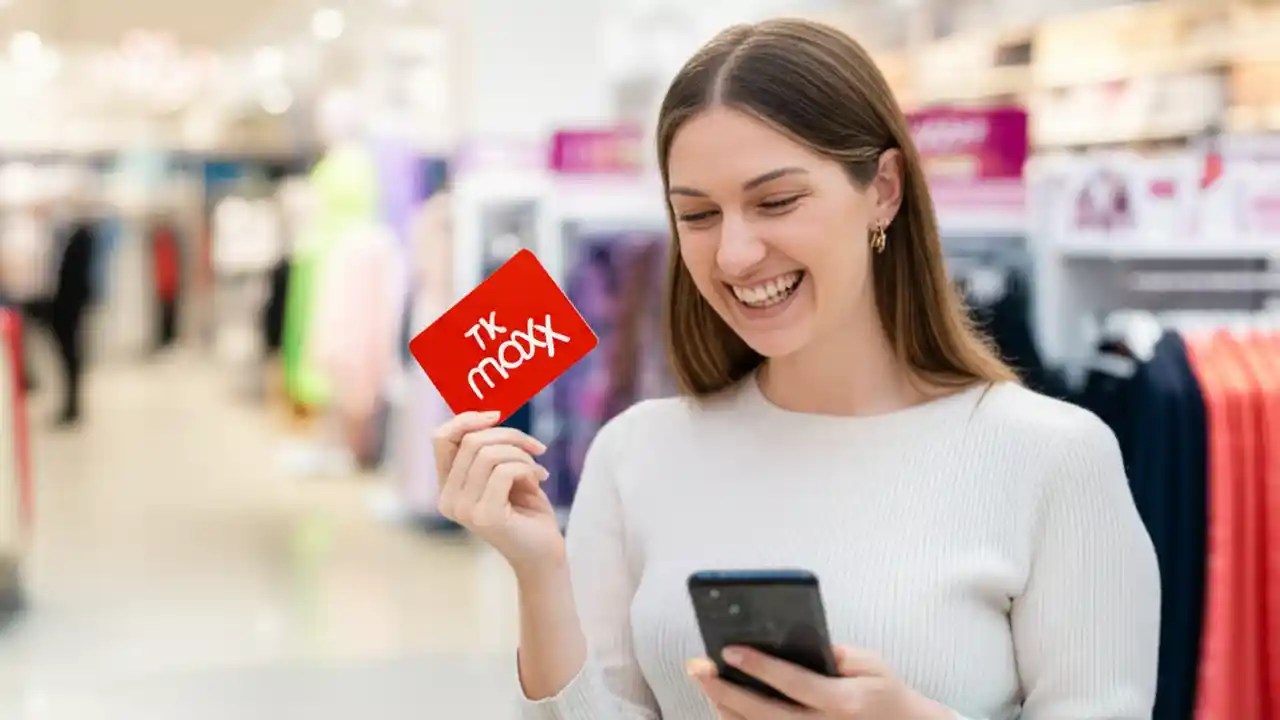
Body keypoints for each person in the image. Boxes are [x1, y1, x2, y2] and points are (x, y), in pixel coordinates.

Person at [432, 19, 1160, 720]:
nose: (735, 255)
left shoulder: (1053, 457)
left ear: (883, 189)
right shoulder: (635, 454)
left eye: (776, 201)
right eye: (698, 215)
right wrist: (538, 573)